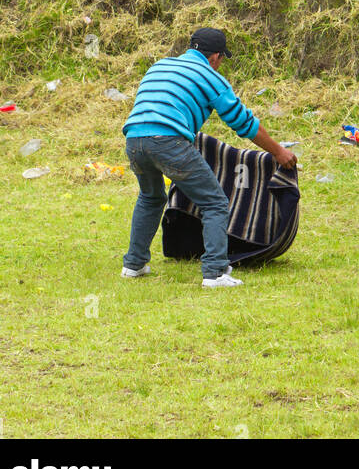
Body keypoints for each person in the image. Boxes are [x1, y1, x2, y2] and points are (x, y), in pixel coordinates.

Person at [120, 26, 297, 286]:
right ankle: (215, 272)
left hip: (134, 138)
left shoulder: (159, 65)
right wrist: (279, 151)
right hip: (168, 141)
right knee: (214, 202)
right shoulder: (209, 76)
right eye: (221, 60)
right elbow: (244, 123)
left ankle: (134, 265)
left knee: (151, 196)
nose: (220, 65)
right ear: (215, 57)